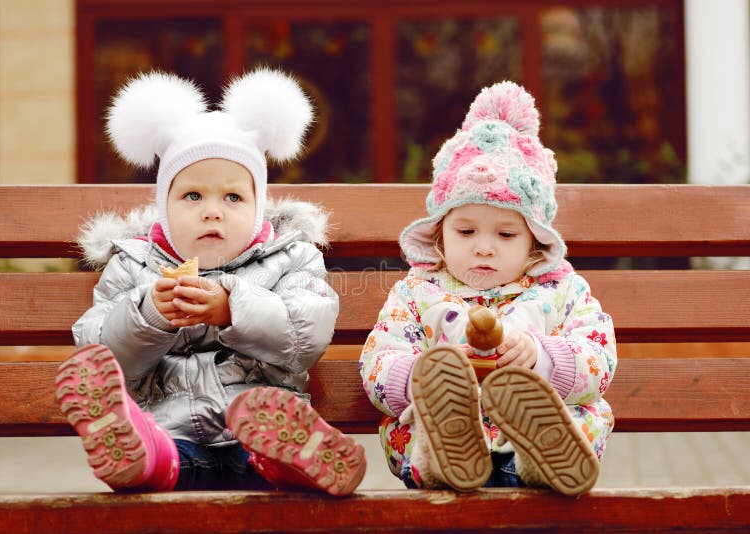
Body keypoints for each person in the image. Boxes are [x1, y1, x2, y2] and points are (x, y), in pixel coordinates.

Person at [55, 68, 366, 496]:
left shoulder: (291, 257)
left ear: (258, 206)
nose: (212, 211)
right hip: (172, 432)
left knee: (268, 456)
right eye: (193, 196)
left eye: (233, 197)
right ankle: (135, 456)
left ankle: (297, 459)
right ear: (164, 205)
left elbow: (306, 333)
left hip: (257, 435)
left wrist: (233, 307)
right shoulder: (133, 265)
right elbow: (99, 352)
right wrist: (149, 315)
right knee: (162, 458)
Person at [359, 81, 616, 496]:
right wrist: (425, 378)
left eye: (506, 234)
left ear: (535, 239)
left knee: (575, 418)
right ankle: (446, 452)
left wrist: (542, 359)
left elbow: (598, 356)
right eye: (466, 230)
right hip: (441, 434)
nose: (484, 247)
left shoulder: (560, 290)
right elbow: (378, 361)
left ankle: (543, 455)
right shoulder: (417, 291)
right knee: (419, 429)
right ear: (440, 232)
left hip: (532, 437)